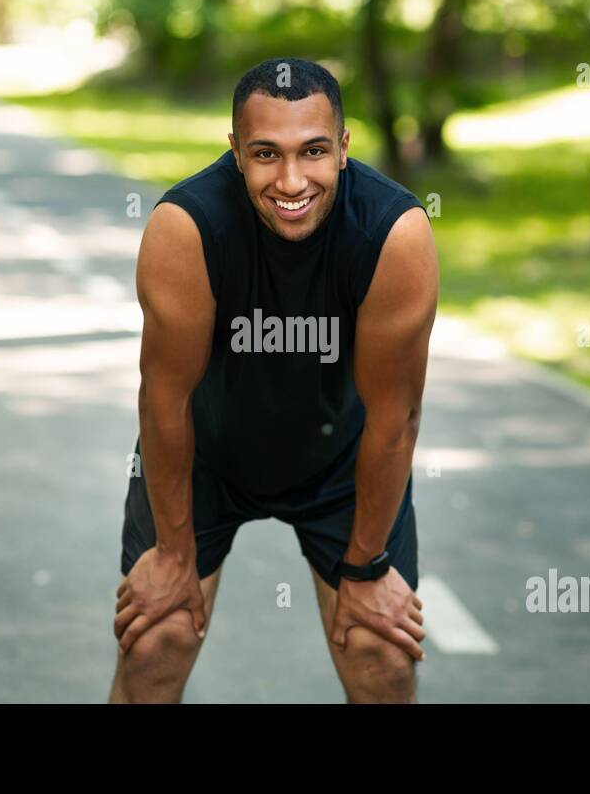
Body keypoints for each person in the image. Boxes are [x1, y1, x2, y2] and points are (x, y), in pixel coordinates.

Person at [110, 57, 438, 703]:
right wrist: (173, 555)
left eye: (313, 150)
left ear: (343, 148)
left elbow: (393, 417)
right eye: (266, 153)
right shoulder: (186, 228)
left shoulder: (393, 233)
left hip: (343, 459)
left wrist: (368, 566)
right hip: (203, 455)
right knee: (155, 643)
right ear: (235, 152)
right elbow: (164, 400)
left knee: (382, 654)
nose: (292, 179)